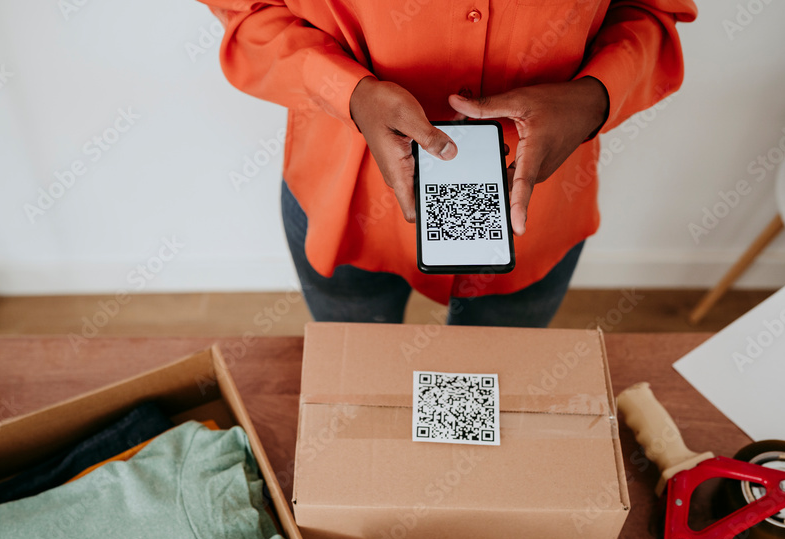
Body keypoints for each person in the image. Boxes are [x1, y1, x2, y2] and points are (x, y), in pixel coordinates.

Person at [202, 1, 698, 326]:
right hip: (344, 196)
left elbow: (651, 10)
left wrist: (595, 97)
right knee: (358, 387)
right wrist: (345, 91)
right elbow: (248, 12)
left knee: (494, 403)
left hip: (533, 207)